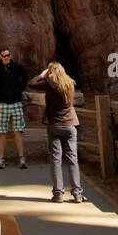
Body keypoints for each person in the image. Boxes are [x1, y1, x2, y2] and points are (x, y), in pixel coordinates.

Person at [27, 61, 85, 203]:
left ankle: (58, 193)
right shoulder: (70, 83)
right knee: (72, 159)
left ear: (50, 72)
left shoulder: (49, 84)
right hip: (70, 125)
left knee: (56, 160)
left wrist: (42, 74)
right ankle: (77, 193)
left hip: (55, 126)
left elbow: (31, 83)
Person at [0, 46, 28, 169]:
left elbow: (25, 78)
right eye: (4, 56)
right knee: (2, 132)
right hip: (3, 104)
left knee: (18, 131)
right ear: (0, 57)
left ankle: (22, 159)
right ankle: (1, 159)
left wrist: (19, 90)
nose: (7, 57)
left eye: (8, 55)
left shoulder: (17, 67)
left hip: (16, 103)